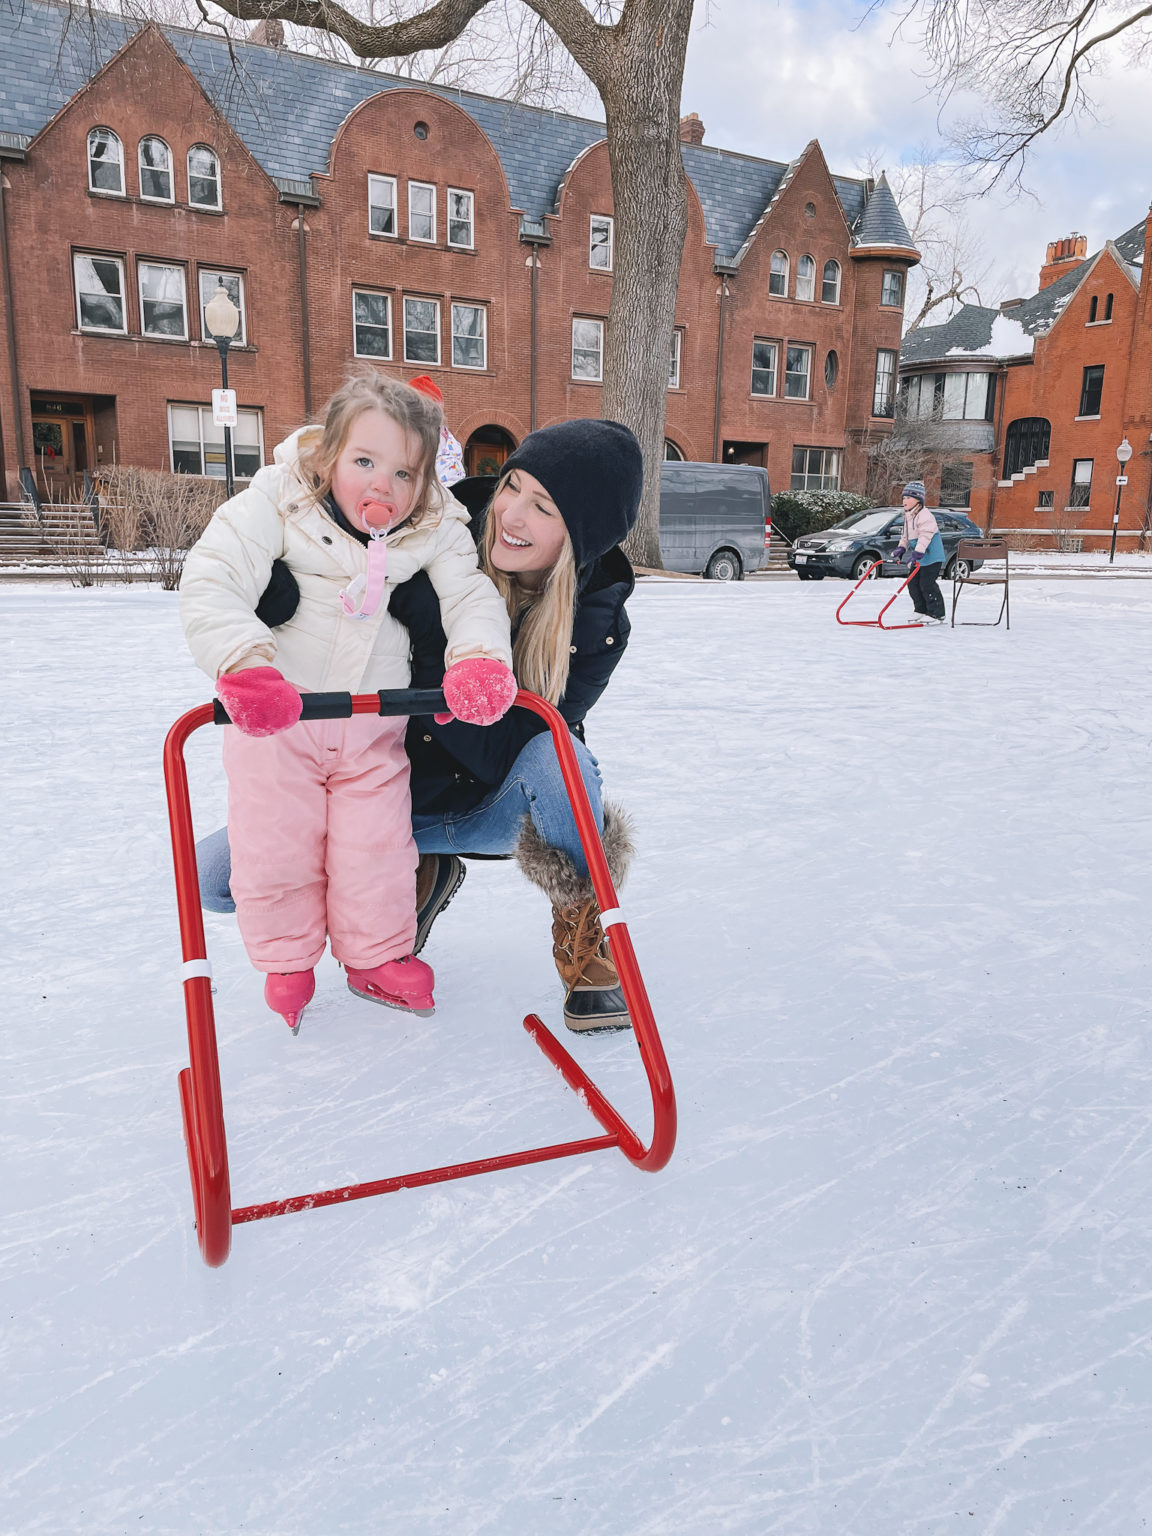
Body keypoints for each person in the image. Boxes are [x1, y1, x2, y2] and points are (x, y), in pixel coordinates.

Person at [196, 417, 642, 1033]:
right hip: (384, 793)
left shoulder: (596, 622)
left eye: (542, 507)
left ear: (580, 536)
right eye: (512, 486)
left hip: (496, 807)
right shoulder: (434, 532)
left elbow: (510, 749)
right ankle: (413, 870)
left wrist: (434, 649)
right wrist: (279, 599)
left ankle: (584, 924)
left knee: (559, 757)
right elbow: (325, 529)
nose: (511, 515)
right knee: (215, 881)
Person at [179, 370, 515, 1032]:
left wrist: (476, 659)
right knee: (276, 843)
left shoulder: (437, 526)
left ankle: (377, 958)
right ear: (330, 453)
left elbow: (470, 596)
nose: (383, 485)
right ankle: (288, 961)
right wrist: (244, 661)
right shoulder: (278, 502)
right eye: (364, 461)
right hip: (281, 723)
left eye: (405, 473)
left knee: (376, 849)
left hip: (369, 731)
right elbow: (214, 572)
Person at [893, 480, 946, 624]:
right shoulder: (908, 515)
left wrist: (917, 552)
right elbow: (906, 535)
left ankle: (936, 613)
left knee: (927, 584)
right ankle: (920, 609)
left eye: (908, 497)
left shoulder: (925, 515)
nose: (905, 500)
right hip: (919, 556)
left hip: (932, 556)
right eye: (904, 497)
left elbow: (925, 535)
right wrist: (901, 547)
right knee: (913, 584)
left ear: (918, 500)